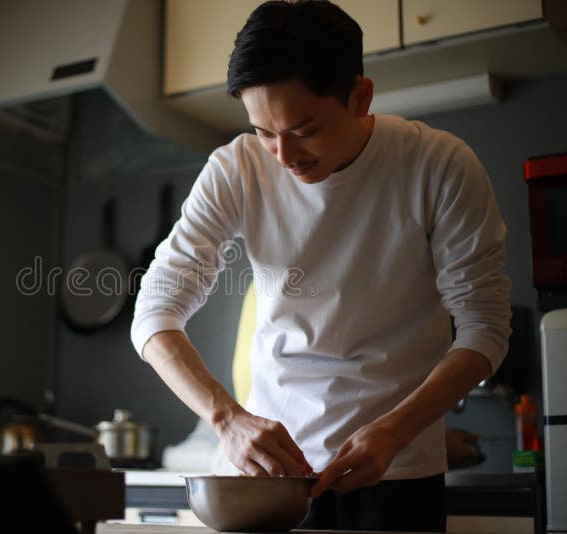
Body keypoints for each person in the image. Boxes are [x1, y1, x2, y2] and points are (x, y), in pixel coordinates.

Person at [130, 0, 510, 531]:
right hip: (268, 477)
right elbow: (153, 313)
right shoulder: (236, 169)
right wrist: (227, 420)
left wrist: (397, 431)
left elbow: (485, 330)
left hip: (397, 473)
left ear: (360, 97)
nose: (282, 155)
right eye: (263, 132)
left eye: (303, 129)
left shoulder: (439, 166)